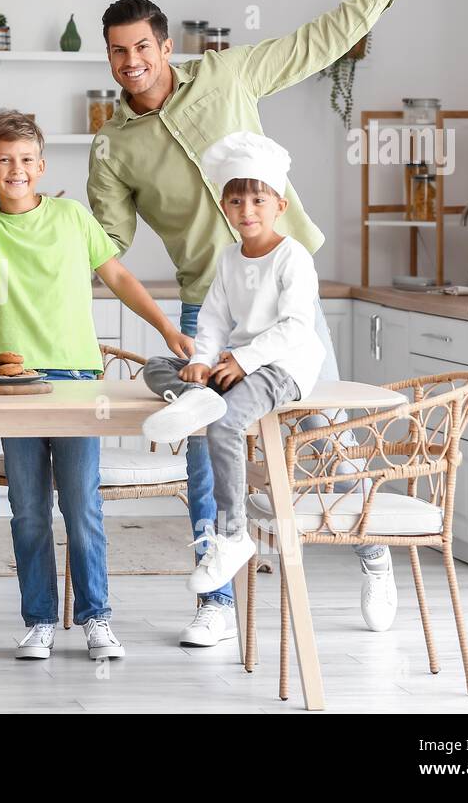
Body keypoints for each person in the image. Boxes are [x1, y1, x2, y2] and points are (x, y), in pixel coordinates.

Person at [88, 0, 426, 645]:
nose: (131, 62)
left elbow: (313, 44)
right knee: (210, 453)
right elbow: (105, 243)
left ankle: (371, 548)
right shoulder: (113, 145)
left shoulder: (228, 74)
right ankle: (215, 600)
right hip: (205, 301)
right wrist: (42, 230)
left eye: (142, 46)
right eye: (118, 51)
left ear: (165, 46)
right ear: (109, 57)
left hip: (284, 290)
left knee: (323, 431)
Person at [0, 100, 193, 660]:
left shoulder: (72, 219)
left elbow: (115, 273)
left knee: (82, 506)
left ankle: (96, 618)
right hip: (10, 388)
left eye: (25, 159)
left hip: (74, 381)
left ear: (41, 166)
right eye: (3, 160)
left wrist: (165, 326)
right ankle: (39, 619)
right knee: (28, 510)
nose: (15, 169)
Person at [142, 133, 325, 592]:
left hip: (281, 366)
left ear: (279, 205)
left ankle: (233, 535)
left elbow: (296, 328)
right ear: (224, 206)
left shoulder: (293, 258)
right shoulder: (228, 259)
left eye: (258, 200)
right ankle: (198, 394)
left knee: (224, 426)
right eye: (237, 200)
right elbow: (214, 319)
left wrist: (243, 361)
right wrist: (203, 362)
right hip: (235, 362)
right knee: (157, 368)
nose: (247, 210)